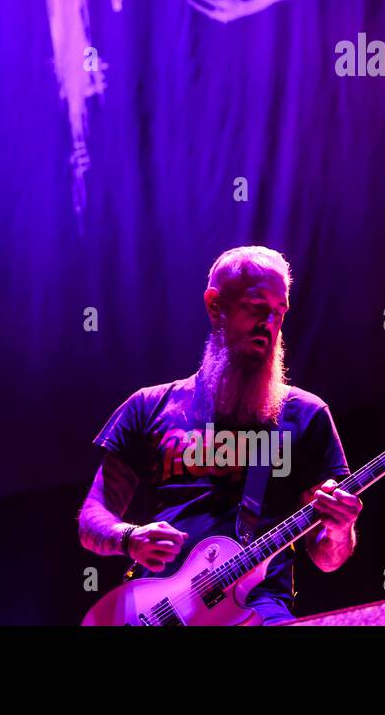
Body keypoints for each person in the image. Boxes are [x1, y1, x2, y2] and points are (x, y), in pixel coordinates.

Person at [77, 246, 362, 624]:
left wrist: (340, 530)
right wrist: (130, 537)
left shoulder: (305, 415)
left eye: (279, 311)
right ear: (215, 305)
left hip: (256, 607)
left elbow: (327, 557)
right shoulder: (150, 406)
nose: (269, 323)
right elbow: (92, 517)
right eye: (256, 306)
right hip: (157, 610)